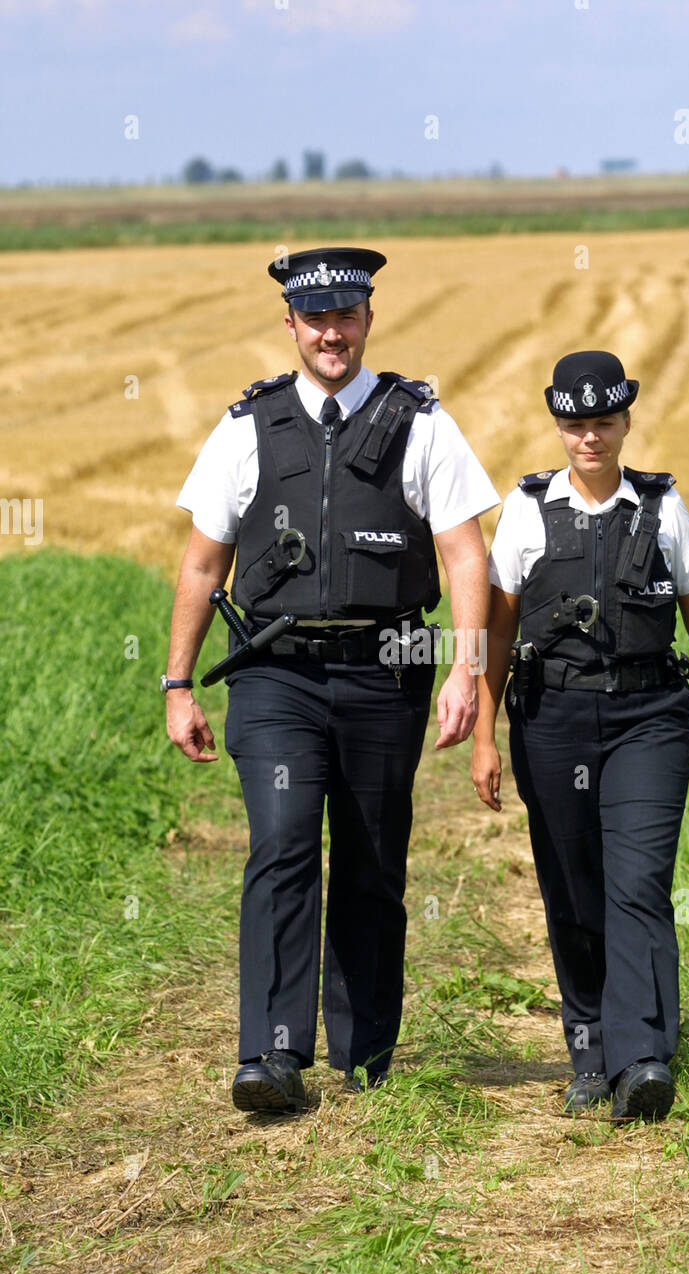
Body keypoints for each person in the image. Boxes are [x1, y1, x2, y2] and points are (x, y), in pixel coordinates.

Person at [164, 246, 498, 1112]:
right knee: (281, 846)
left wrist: (465, 664)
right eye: (314, 319)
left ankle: (363, 1057)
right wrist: (176, 683)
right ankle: (270, 1054)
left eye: (345, 316)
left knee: (373, 860)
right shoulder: (248, 427)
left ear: (367, 320)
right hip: (275, 674)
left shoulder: (421, 422)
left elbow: (466, 551)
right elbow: (203, 565)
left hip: (388, 672)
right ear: (290, 327)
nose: (331, 332)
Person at [470, 350, 689, 1122]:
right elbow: (497, 631)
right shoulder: (528, 509)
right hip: (552, 720)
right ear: (559, 425)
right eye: (575, 423)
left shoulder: (664, 508)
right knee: (573, 888)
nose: (589, 437)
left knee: (637, 883)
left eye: (603, 422)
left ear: (626, 422)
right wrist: (484, 734)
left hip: (649, 718)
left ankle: (642, 1059)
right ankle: (590, 1050)